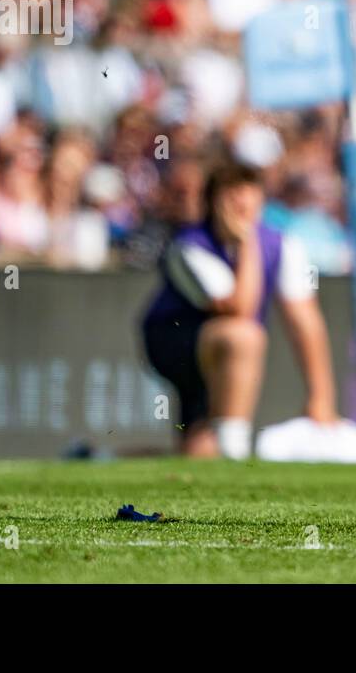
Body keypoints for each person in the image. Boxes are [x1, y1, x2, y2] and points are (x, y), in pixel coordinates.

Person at [140, 161, 340, 458]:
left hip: (223, 354)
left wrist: (322, 397)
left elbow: (304, 319)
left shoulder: (283, 244)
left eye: (250, 191)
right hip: (176, 345)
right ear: (213, 201)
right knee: (243, 336)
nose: (242, 201)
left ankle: (99, 457)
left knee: (199, 449)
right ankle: (236, 449)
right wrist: (247, 241)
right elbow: (240, 309)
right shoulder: (188, 246)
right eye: (231, 192)